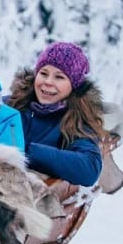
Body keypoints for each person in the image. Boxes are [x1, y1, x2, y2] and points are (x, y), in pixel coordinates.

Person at [6, 41, 104, 186]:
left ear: (74, 86)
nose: (48, 82)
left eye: (59, 77)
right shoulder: (12, 105)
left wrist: (26, 150)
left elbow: (89, 168)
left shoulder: (76, 120)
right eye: (43, 73)